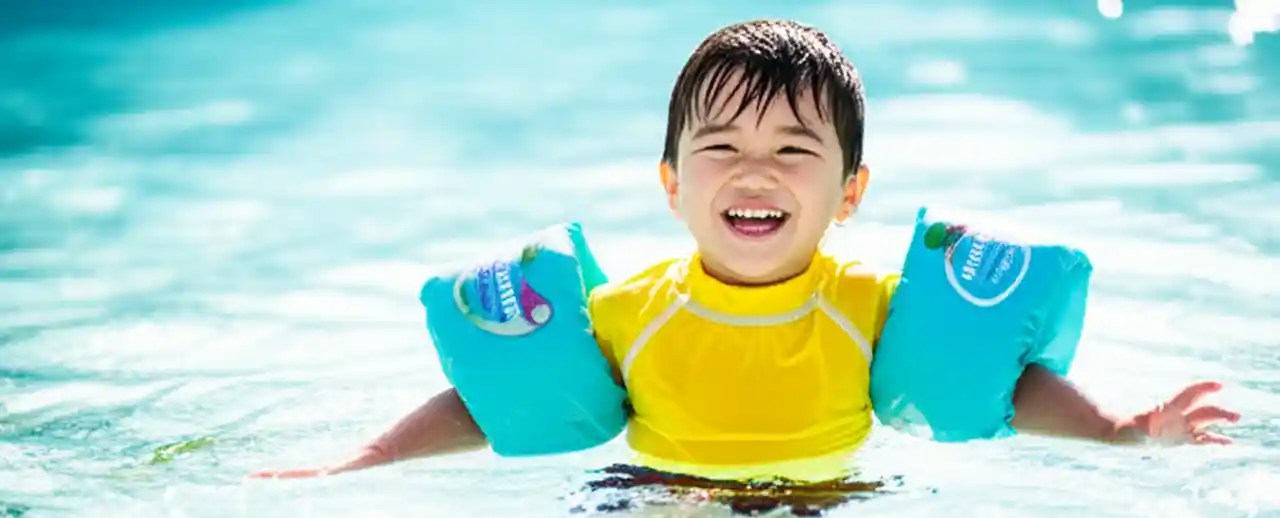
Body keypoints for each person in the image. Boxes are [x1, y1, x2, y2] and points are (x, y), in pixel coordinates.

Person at [250, 19, 1238, 483]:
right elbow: (488, 398)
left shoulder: (874, 304)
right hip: (655, 486)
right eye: (719, 149)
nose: (753, 174)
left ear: (849, 193)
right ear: (671, 184)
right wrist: (367, 458)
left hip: (830, 491)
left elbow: (1001, 386)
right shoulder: (631, 312)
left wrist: (1117, 430)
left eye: (792, 152)